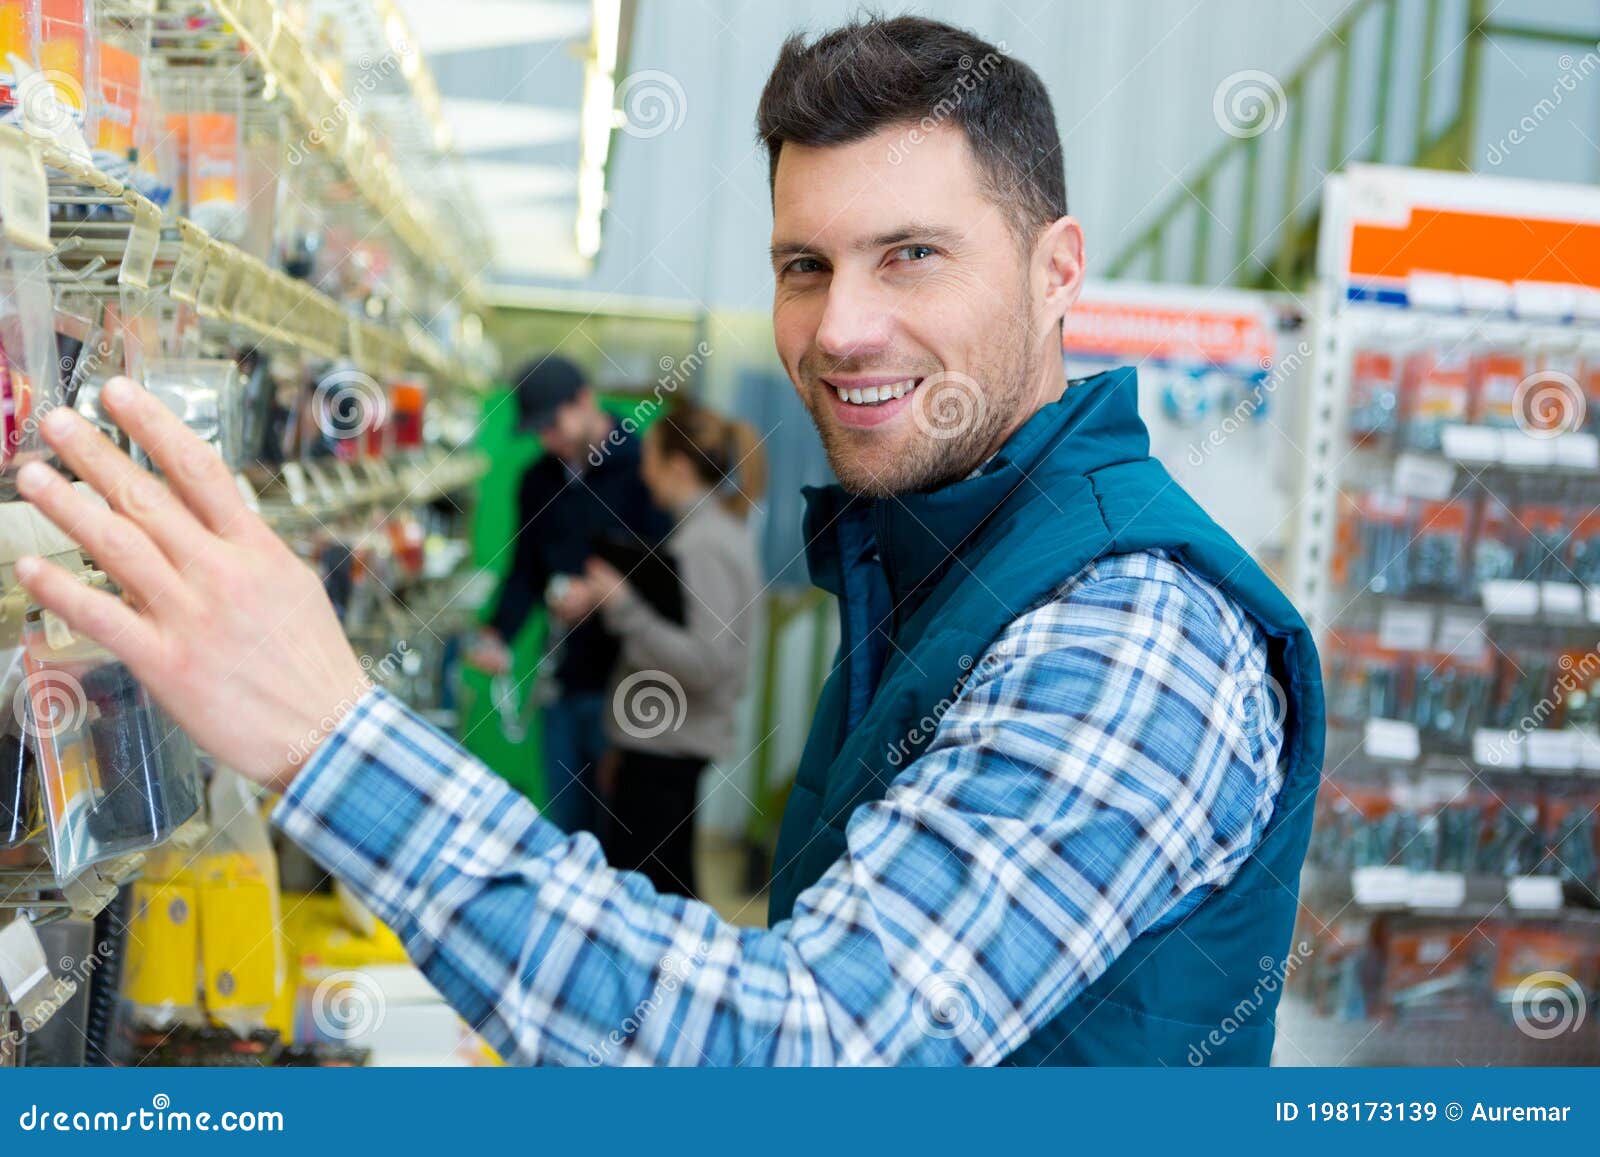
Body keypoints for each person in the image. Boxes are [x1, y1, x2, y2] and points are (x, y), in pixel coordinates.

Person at [11, 15, 1324, 1066]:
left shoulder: (1132, 624)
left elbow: (808, 1053)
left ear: (1057, 269)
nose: (843, 326)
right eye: (804, 265)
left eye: (912, 254)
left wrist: (330, 734)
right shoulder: (926, 552)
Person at [550, 400, 766, 900]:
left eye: (649, 459)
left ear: (678, 466)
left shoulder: (704, 545)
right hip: (658, 747)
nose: (643, 475)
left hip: (668, 753)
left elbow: (706, 663)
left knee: (652, 901)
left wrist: (622, 606)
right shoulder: (705, 534)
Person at [466, 355, 669, 834]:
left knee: (621, 836)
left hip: (629, 688)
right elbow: (525, 572)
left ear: (585, 401)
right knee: (566, 832)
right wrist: (498, 632)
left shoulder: (646, 471)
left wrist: (604, 597)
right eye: (538, 430)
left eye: (553, 424)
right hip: (561, 681)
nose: (547, 440)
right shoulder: (537, 481)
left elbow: (667, 577)